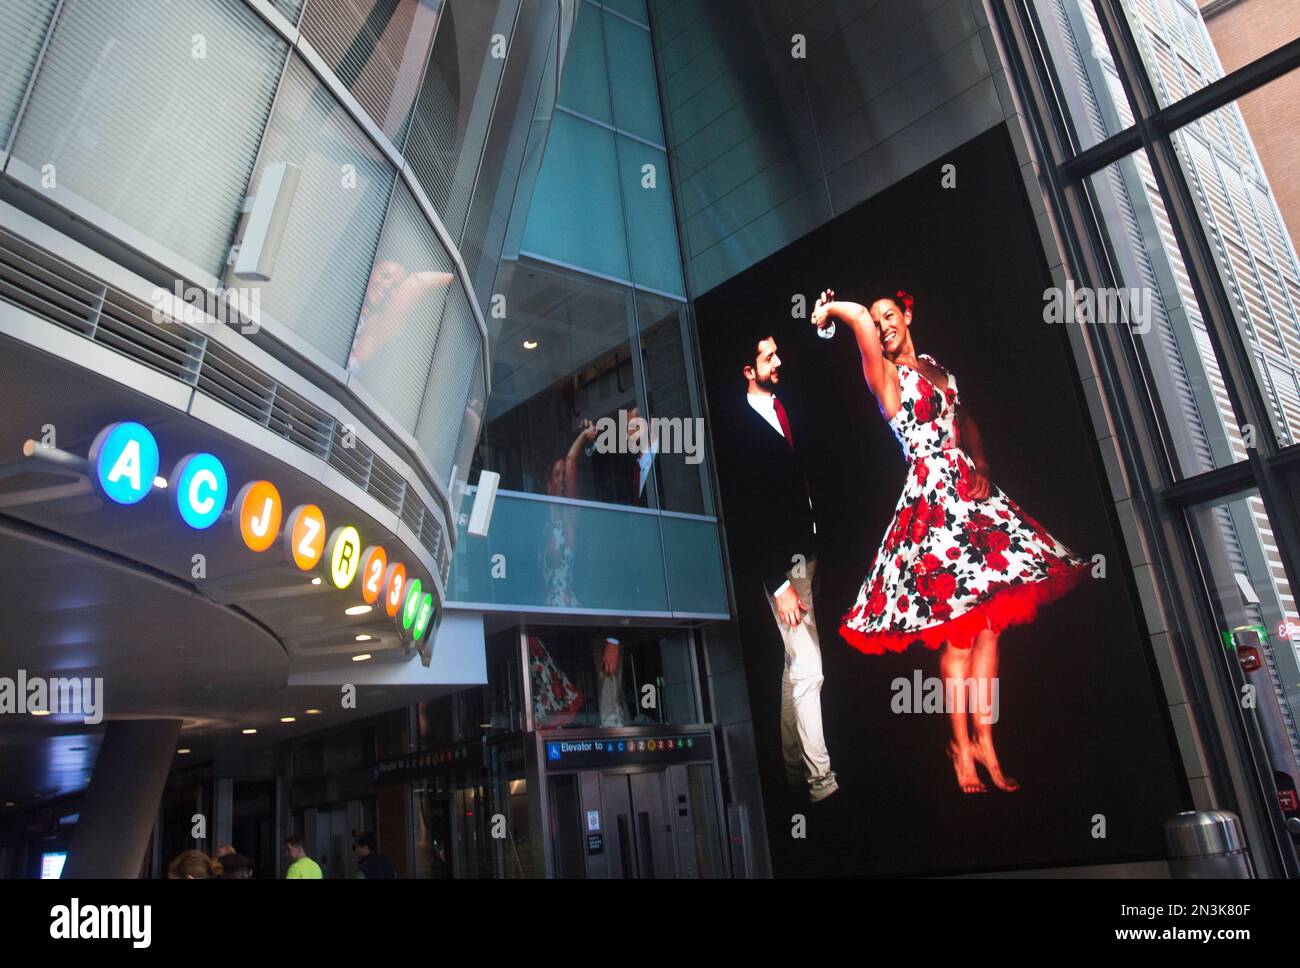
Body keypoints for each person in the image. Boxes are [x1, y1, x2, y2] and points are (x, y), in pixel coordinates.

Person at [811, 288, 1089, 794]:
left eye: (889, 316)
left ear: (908, 314)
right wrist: (831, 311)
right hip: (933, 506)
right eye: (876, 322)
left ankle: (986, 740)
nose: (882, 326)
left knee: (990, 630)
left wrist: (981, 466)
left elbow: (966, 421)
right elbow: (856, 320)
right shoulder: (886, 377)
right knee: (959, 635)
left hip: (971, 499)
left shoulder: (937, 366)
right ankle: (960, 746)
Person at [733, 333, 837, 802]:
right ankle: (823, 785)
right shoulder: (739, 427)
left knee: (794, 666)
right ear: (749, 371)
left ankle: (792, 773)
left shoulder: (785, 407)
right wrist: (778, 585)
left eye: (778, 350)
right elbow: (747, 516)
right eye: (767, 356)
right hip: (782, 571)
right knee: (811, 668)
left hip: (808, 554)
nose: (779, 359)